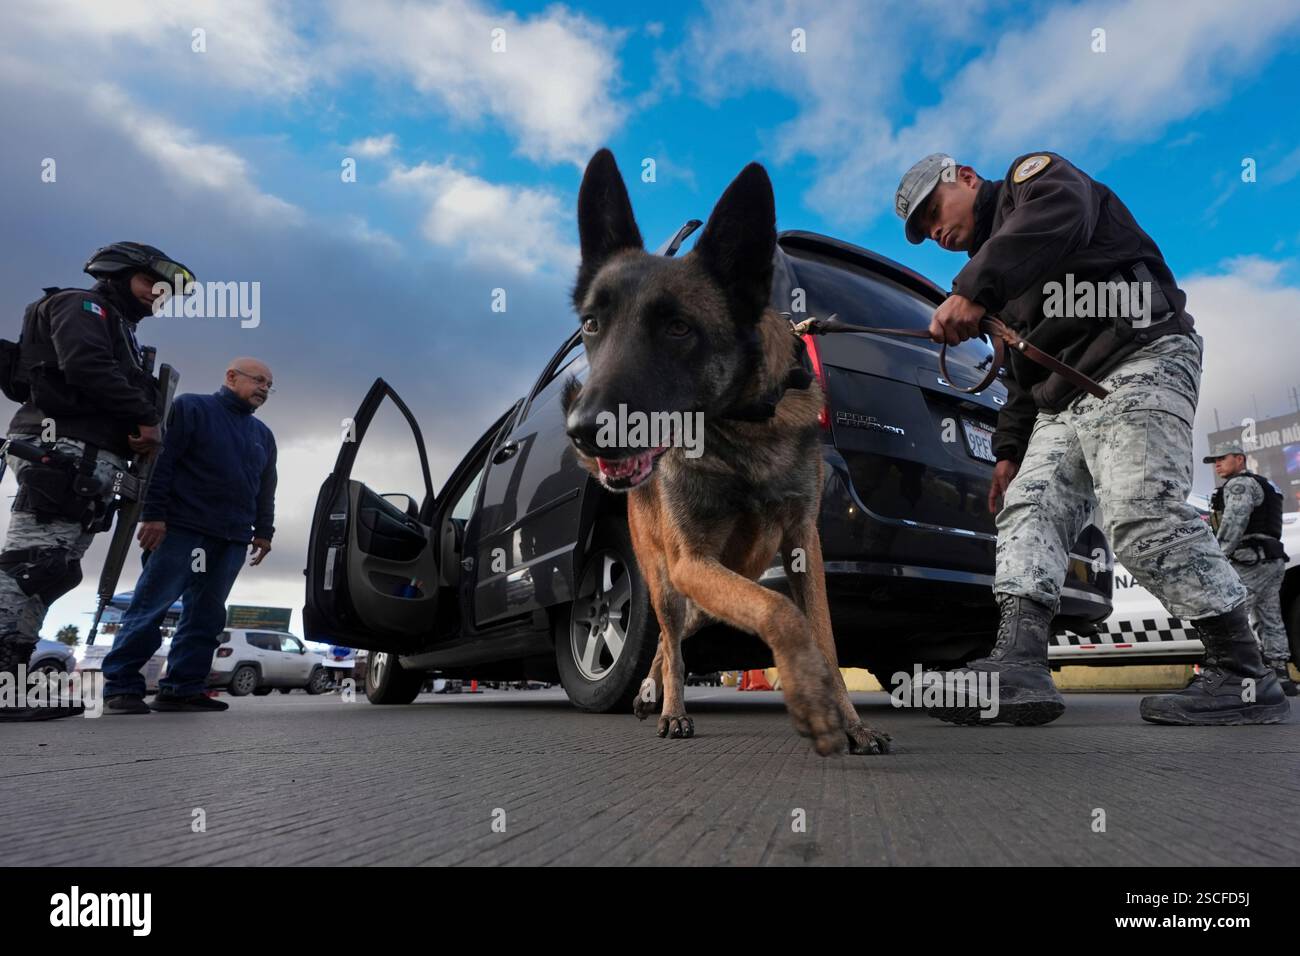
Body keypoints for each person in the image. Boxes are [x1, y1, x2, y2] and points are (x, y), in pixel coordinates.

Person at [894, 151, 1287, 726]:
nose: (937, 231)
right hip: (1062, 395)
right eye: (926, 231)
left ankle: (1244, 671)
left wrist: (972, 288)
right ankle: (1019, 666)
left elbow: (1061, 213)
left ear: (967, 178)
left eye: (934, 210)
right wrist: (1008, 453)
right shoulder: (998, 277)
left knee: (1141, 512)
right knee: (1028, 509)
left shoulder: (1036, 183)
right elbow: (1022, 376)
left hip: (1138, 354)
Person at [0, 242, 193, 721]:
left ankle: (12, 683)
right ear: (118, 273)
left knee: (54, 570)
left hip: (88, 458)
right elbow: (85, 365)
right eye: (152, 284)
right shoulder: (81, 304)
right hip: (64, 449)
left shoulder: (120, 326)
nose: (158, 296)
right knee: (32, 563)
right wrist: (145, 416)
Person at [102, 358, 277, 714]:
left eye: (269, 386)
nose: (264, 389)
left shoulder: (263, 436)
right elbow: (163, 462)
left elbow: (265, 487)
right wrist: (154, 515)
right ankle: (121, 687)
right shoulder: (192, 407)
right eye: (258, 380)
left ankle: (181, 688)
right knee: (152, 605)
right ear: (231, 377)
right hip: (183, 528)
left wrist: (264, 531)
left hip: (231, 537)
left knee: (206, 616)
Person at [1204, 441, 1295, 696]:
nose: (1217, 464)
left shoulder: (1239, 484)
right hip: (1271, 558)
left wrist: (1217, 558)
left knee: (1232, 614)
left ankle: (1232, 673)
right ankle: (1280, 674)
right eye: (1214, 461)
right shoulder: (1267, 484)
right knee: (1269, 618)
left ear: (1240, 459)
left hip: (1250, 559)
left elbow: (1234, 523)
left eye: (1222, 458)